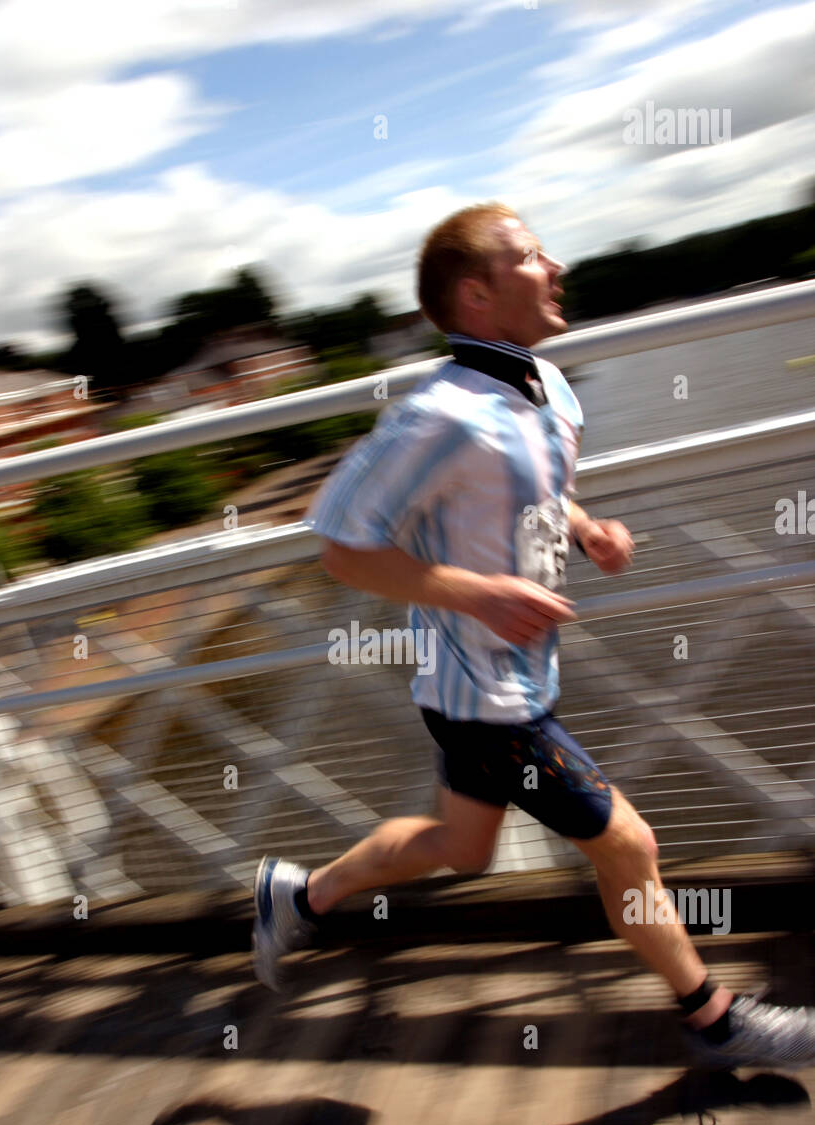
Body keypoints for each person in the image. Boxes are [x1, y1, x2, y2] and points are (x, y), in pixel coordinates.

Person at [253, 200, 815, 1069]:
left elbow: (532, 492)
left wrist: (584, 528)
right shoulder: (436, 416)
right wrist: (475, 592)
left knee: (461, 849)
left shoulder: (545, 385)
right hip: (486, 698)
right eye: (531, 257)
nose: (556, 268)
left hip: (508, 678)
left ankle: (300, 895)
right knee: (627, 844)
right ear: (476, 295)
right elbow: (341, 549)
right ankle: (715, 1019)